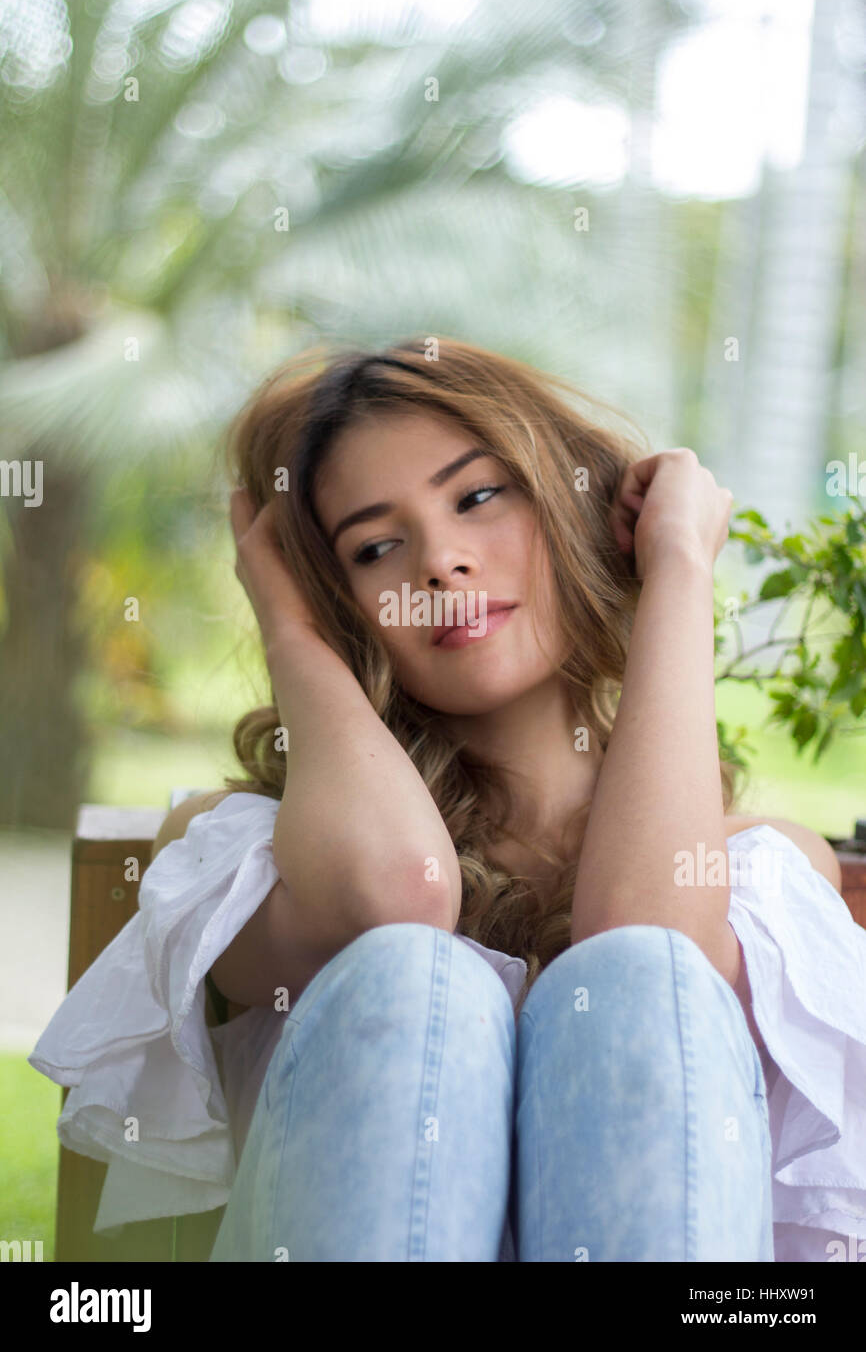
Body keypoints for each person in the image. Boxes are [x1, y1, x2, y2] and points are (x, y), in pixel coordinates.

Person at [29, 336, 866, 1262]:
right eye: (374, 546)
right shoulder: (249, 857)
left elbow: (644, 935)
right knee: (409, 974)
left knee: (640, 980)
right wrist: (289, 623)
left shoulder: (763, 868)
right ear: (335, 600)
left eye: (476, 497)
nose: (440, 564)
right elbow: (395, 892)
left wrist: (677, 570)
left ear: (573, 507)